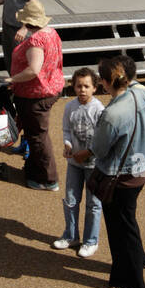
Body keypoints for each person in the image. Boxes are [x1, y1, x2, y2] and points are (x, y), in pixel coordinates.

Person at [91, 54, 145, 288]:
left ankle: (132, 282)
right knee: (128, 220)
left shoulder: (112, 114)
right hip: (144, 165)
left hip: (121, 176)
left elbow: (98, 148)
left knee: (120, 228)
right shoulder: (140, 92)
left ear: (107, 81)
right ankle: (138, 259)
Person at [6, 0, 65, 190]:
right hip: (50, 88)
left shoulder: (35, 40)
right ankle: (35, 171)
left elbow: (33, 70)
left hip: (36, 94)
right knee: (36, 134)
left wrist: (12, 79)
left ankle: (48, 179)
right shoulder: (52, 33)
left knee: (38, 137)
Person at [54, 67, 104, 257]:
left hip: (94, 165)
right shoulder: (69, 107)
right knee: (71, 200)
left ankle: (91, 241)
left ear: (94, 88)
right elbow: (66, 130)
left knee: (93, 203)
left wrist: (89, 153)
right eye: (78, 86)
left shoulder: (99, 110)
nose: (82, 90)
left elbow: (103, 138)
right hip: (74, 163)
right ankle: (71, 235)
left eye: (86, 86)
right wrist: (67, 145)